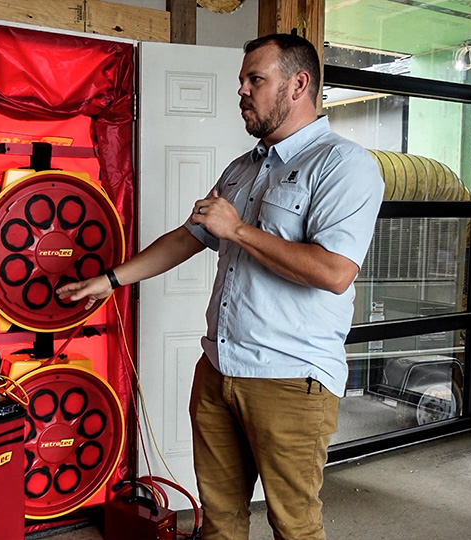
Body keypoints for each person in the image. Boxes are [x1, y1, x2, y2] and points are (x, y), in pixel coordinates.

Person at [58, 33, 383, 540]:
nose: (242, 91)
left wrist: (238, 230)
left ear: (298, 84)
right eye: (241, 80)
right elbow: (188, 238)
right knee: (219, 519)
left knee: (294, 525)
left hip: (290, 379)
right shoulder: (242, 169)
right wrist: (111, 279)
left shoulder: (343, 165)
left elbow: (334, 272)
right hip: (217, 371)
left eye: (256, 79)